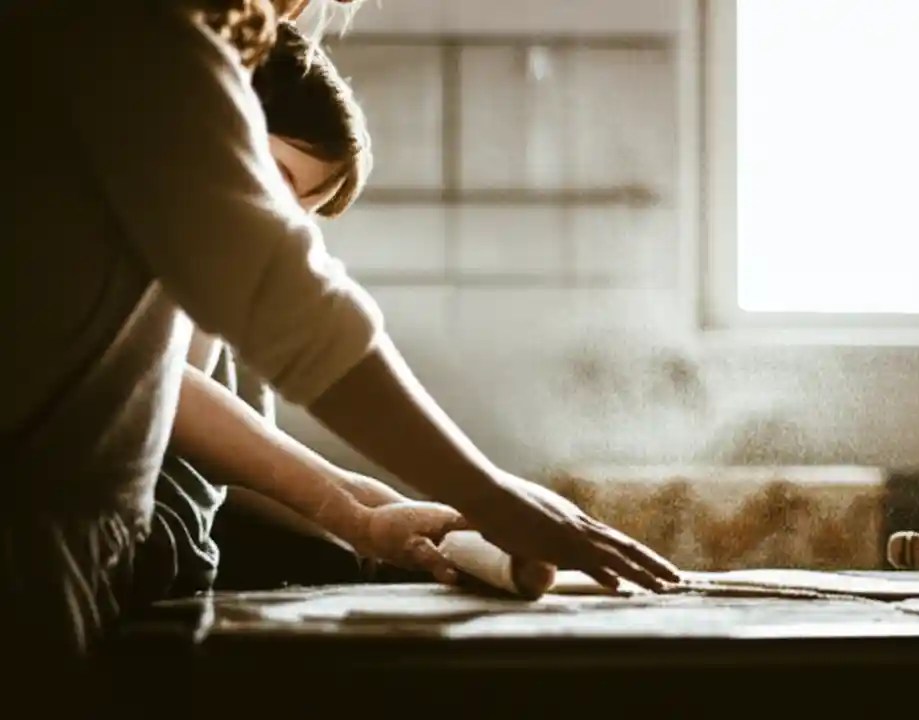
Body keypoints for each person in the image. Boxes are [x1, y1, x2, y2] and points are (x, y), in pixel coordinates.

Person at [0, 0, 679, 670]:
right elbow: (296, 315)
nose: (296, 16)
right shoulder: (136, 36)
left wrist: (380, 515)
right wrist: (491, 495)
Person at [140, 20, 458, 602]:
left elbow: (239, 468)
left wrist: (390, 514)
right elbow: (164, 388)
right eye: (274, 176)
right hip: (109, 564)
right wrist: (356, 515)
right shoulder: (143, 248)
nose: (284, 218)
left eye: (304, 206)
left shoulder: (226, 290)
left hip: (179, 570)